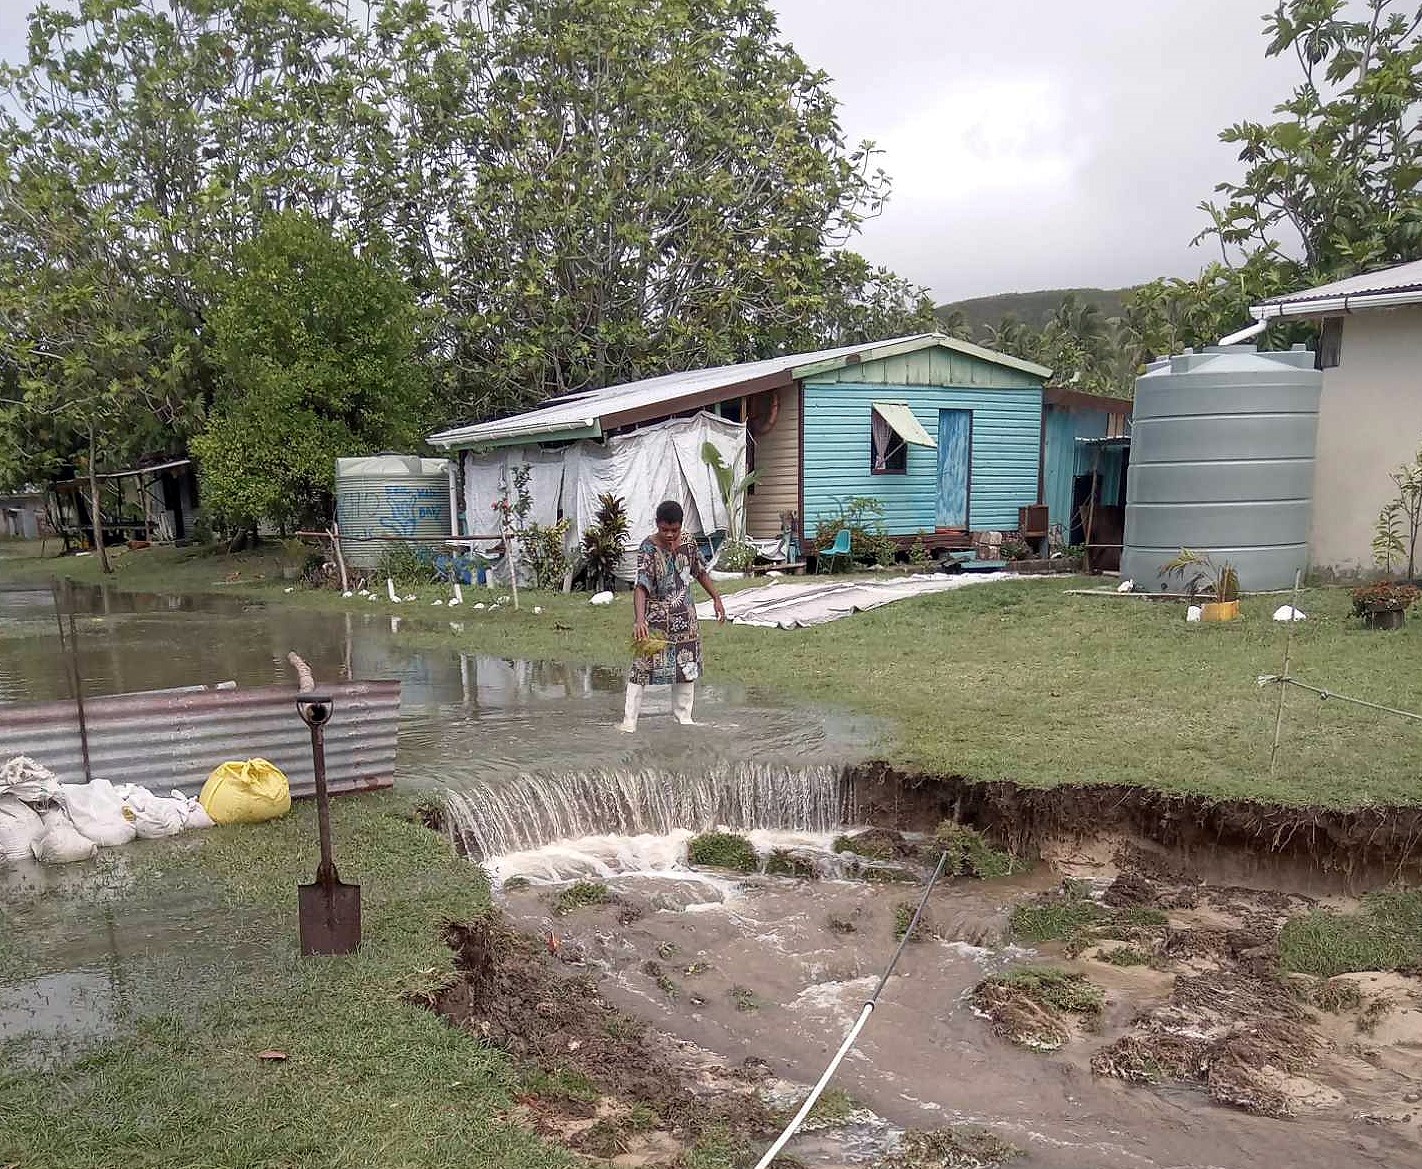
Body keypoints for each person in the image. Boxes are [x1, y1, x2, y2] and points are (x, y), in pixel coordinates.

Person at [620, 500, 727, 732]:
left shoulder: (688, 543)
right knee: (641, 668)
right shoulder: (648, 547)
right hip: (655, 621)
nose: (669, 534)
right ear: (657, 525)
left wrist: (717, 598)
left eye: (674, 530)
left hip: (685, 619)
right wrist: (640, 619)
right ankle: (629, 722)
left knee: (686, 668)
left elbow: (699, 572)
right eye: (664, 529)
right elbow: (641, 585)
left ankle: (684, 717)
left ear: (681, 526)